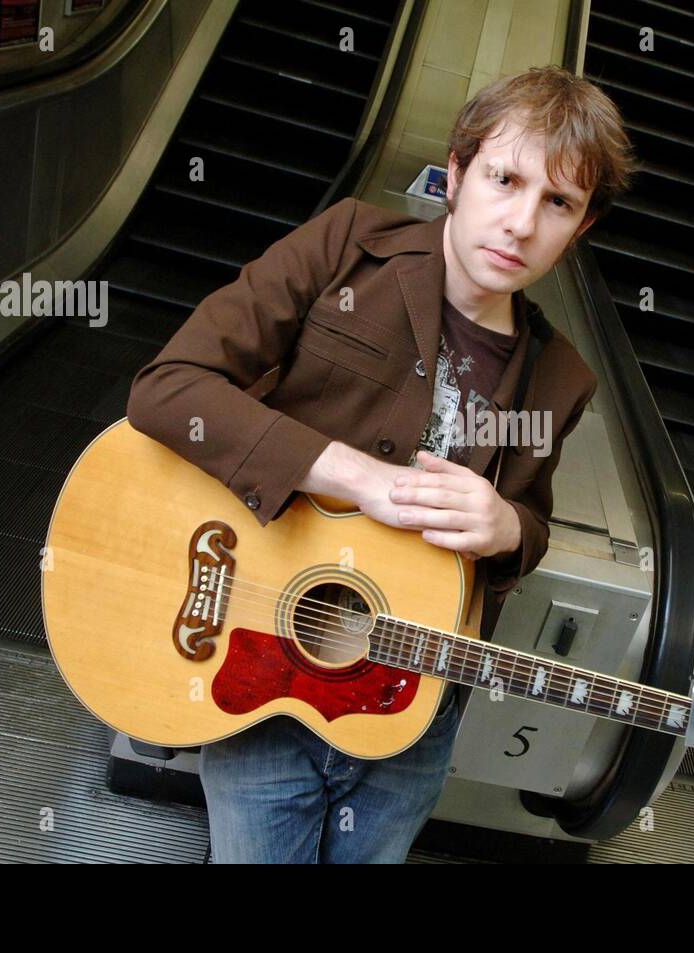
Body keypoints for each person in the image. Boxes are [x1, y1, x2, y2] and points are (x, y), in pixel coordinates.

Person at [125, 65, 637, 863]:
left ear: (582, 227)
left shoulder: (562, 375)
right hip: (267, 663)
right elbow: (169, 389)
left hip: (411, 706)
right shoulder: (344, 245)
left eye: (558, 203)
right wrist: (361, 477)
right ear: (459, 172)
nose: (520, 223)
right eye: (504, 179)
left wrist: (508, 528)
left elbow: (526, 529)